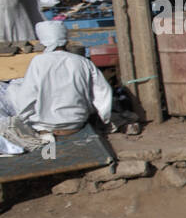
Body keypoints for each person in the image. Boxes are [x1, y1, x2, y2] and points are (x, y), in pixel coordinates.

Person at [0, 21, 112, 153]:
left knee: (13, 90)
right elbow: (103, 92)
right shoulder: (83, 62)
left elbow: (27, 97)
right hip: (77, 123)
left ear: (43, 41)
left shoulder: (38, 62)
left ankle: (47, 143)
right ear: (65, 40)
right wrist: (104, 118)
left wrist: (24, 119)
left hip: (46, 126)